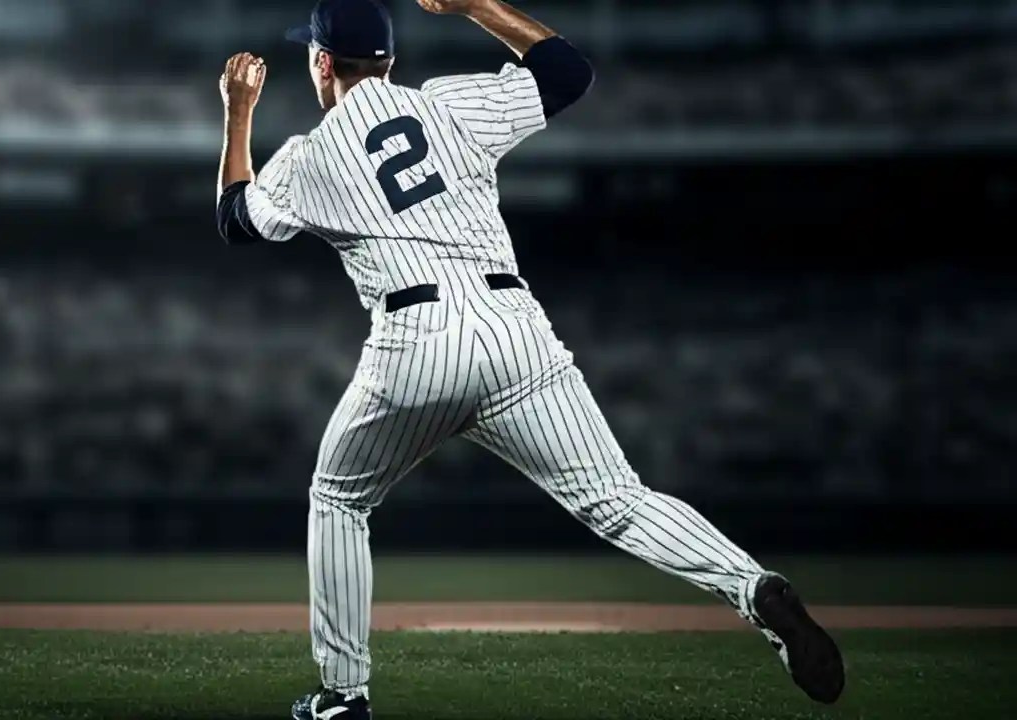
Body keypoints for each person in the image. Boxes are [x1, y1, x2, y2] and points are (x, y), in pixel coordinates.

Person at [214, 1, 845, 718]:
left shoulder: (308, 155)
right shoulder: (448, 103)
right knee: (618, 500)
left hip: (414, 339)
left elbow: (236, 220)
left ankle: (343, 697)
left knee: (339, 498)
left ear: (322, 62)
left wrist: (239, 113)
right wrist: (475, 3)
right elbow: (567, 71)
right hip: (515, 329)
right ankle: (753, 587)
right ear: (389, 61)